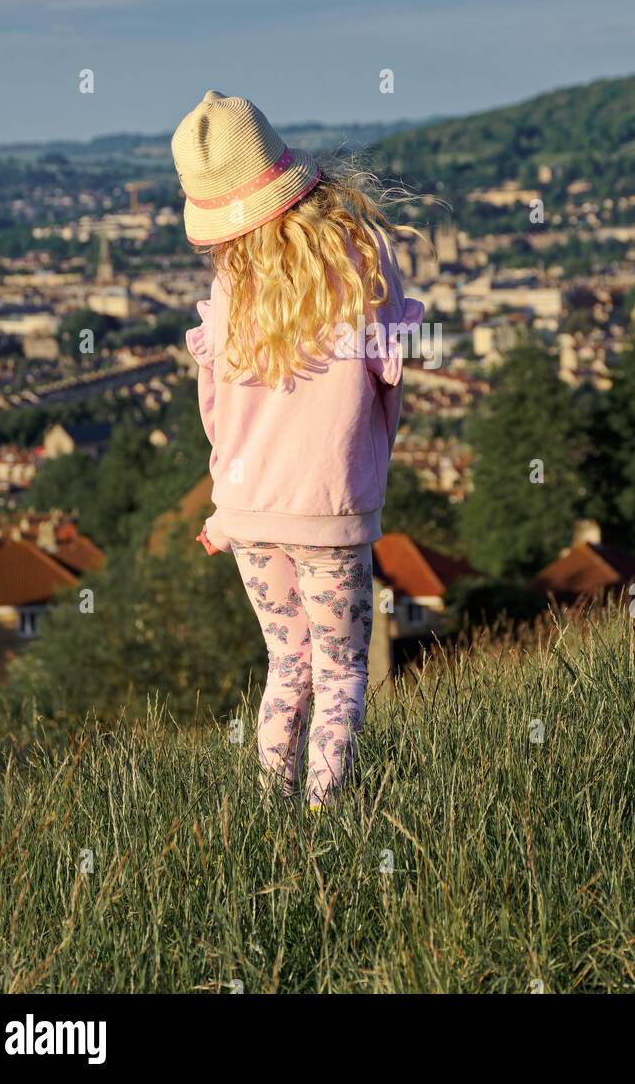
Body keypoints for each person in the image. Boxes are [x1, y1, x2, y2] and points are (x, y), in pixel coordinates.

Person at [173, 90, 424, 808]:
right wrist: (369, 469)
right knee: (344, 670)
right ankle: (327, 819)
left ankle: (270, 813)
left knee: (287, 666)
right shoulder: (362, 256)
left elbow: (216, 413)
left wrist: (226, 508)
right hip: (332, 509)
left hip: (250, 513)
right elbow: (388, 382)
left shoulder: (231, 283)